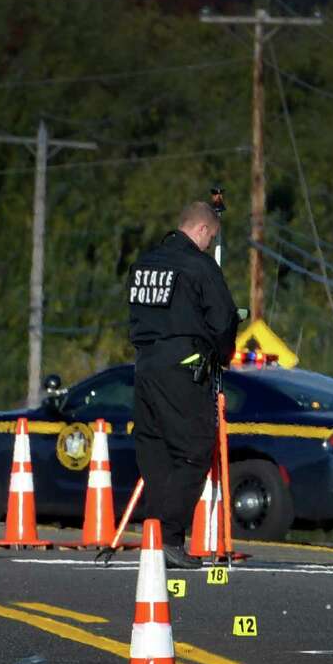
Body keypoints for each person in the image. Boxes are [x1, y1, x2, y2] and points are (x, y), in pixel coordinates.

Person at [127, 201, 241, 569]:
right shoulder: (199, 266)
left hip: (144, 365)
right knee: (195, 449)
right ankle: (169, 535)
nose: (209, 245)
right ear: (203, 229)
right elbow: (223, 320)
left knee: (155, 450)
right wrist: (222, 355)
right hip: (183, 366)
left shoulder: (144, 264)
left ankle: (157, 536)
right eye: (211, 238)